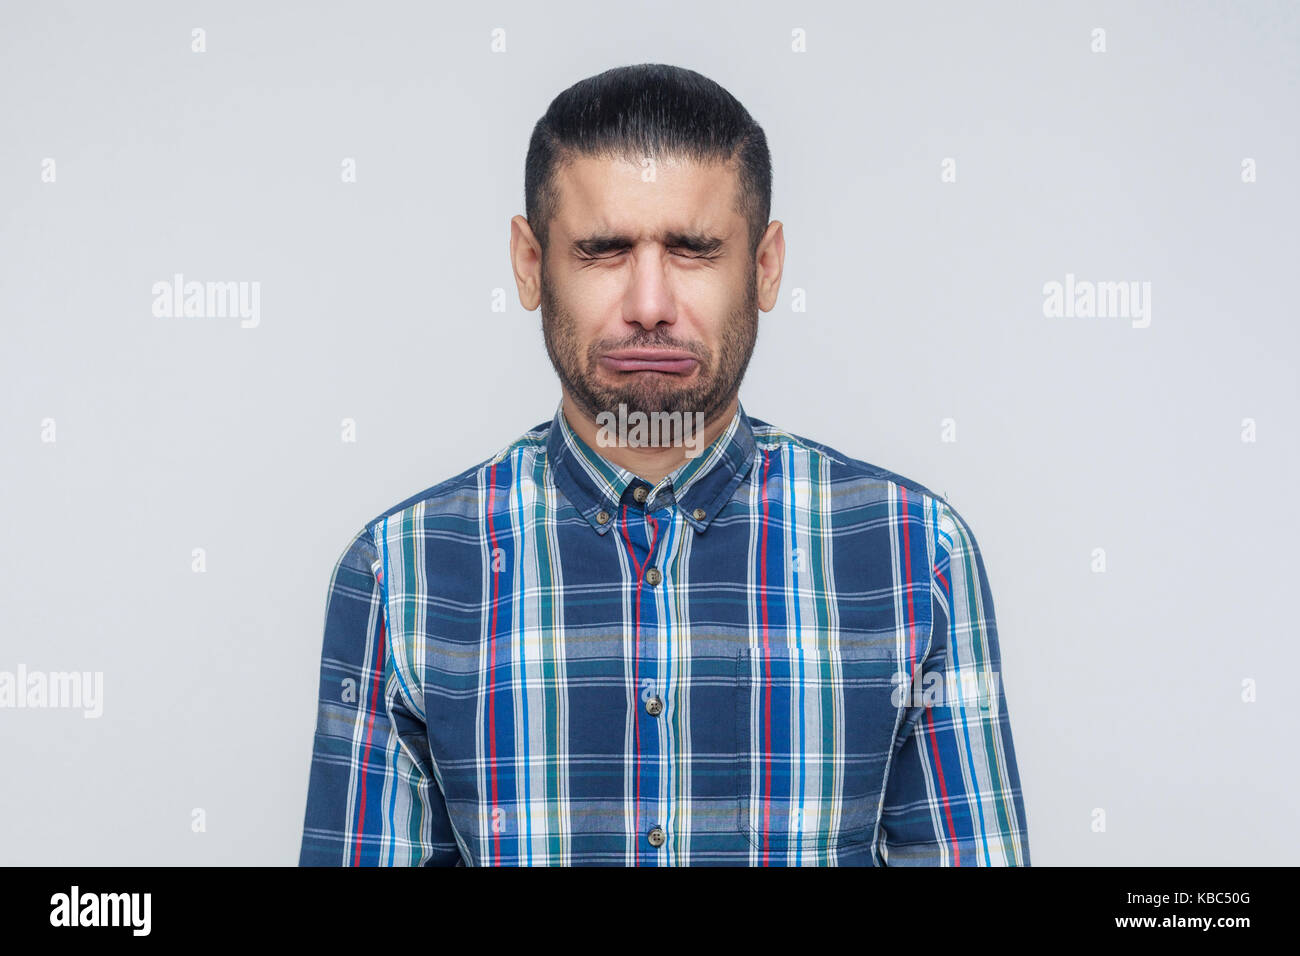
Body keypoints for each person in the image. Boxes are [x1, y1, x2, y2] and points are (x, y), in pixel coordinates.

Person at [297, 63, 1030, 866]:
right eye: (603, 250)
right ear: (531, 264)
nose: (649, 304)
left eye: (693, 249)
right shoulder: (400, 574)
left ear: (765, 265)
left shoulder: (913, 553)